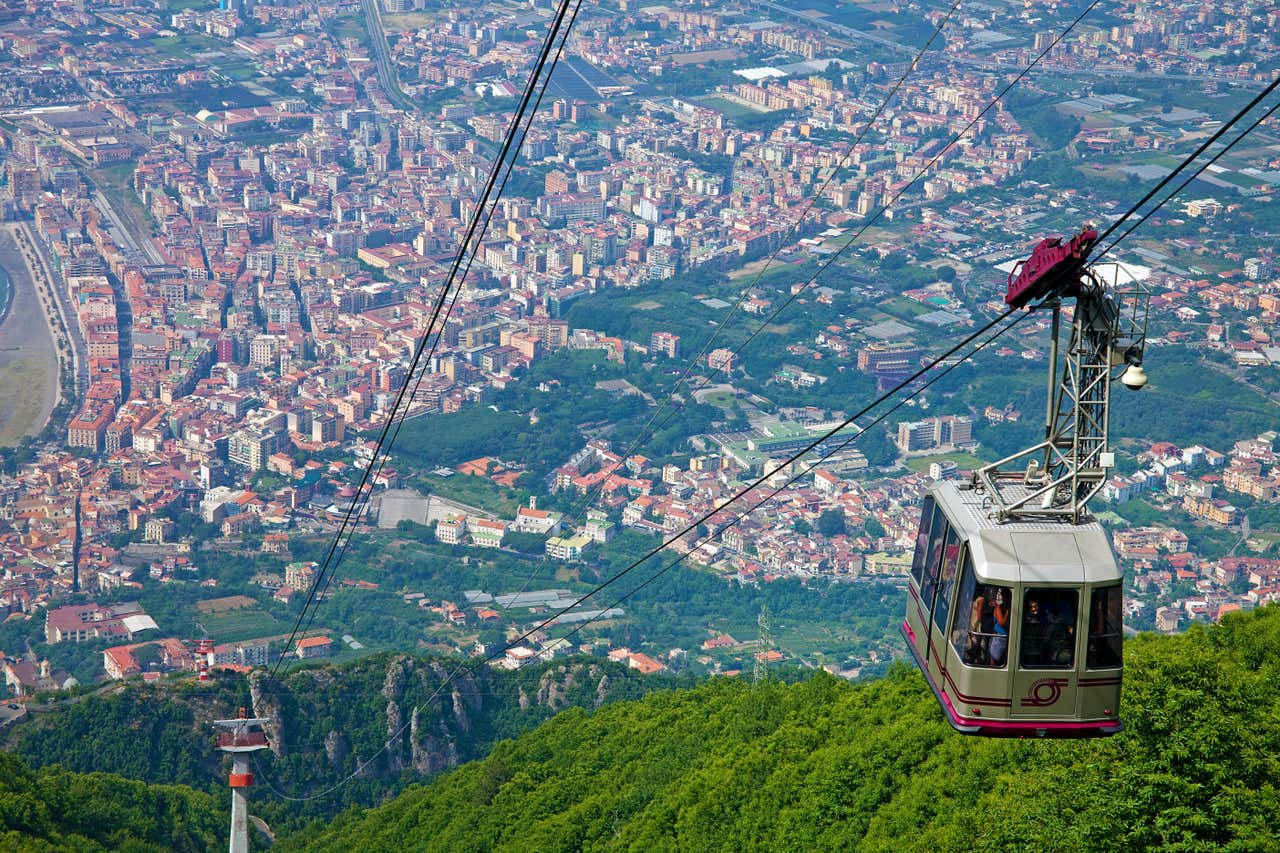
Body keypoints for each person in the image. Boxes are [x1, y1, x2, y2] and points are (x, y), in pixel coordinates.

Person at [989, 587, 1009, 666]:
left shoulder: (1003, 608)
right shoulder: (998, 608)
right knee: (994, 660)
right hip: (999, 638)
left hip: (1004, 637)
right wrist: (1007, 613)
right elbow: (1001, 623)